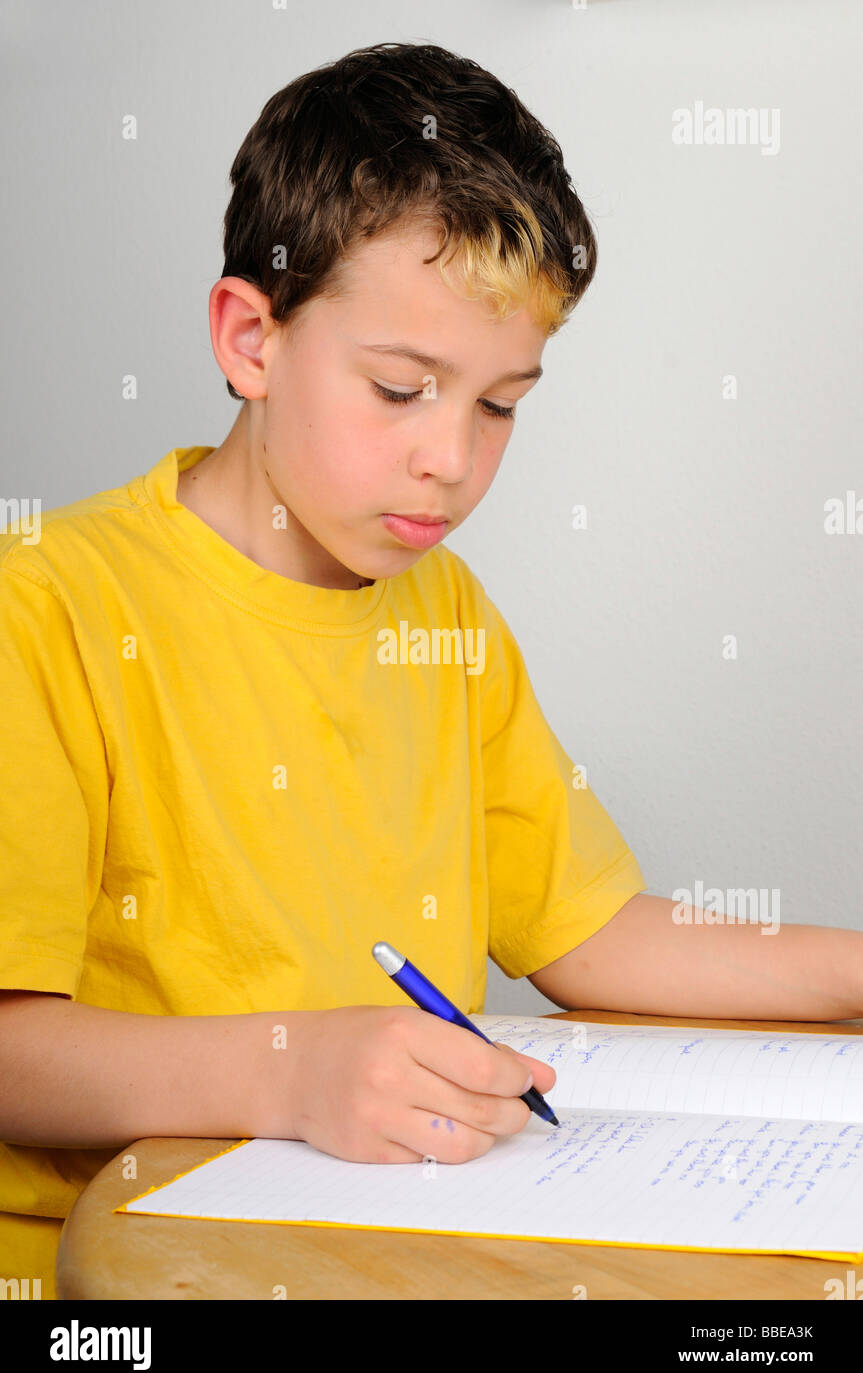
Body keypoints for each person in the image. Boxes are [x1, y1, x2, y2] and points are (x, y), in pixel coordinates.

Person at [3, 42, 853, 1302]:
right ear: (250, 337)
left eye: (500, 404)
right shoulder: (47, 605)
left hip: (386, 1245)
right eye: (402, 389)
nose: (449, 460)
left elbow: (591, 932)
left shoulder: (440, 607)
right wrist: (290, 1069)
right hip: (121, 1275)